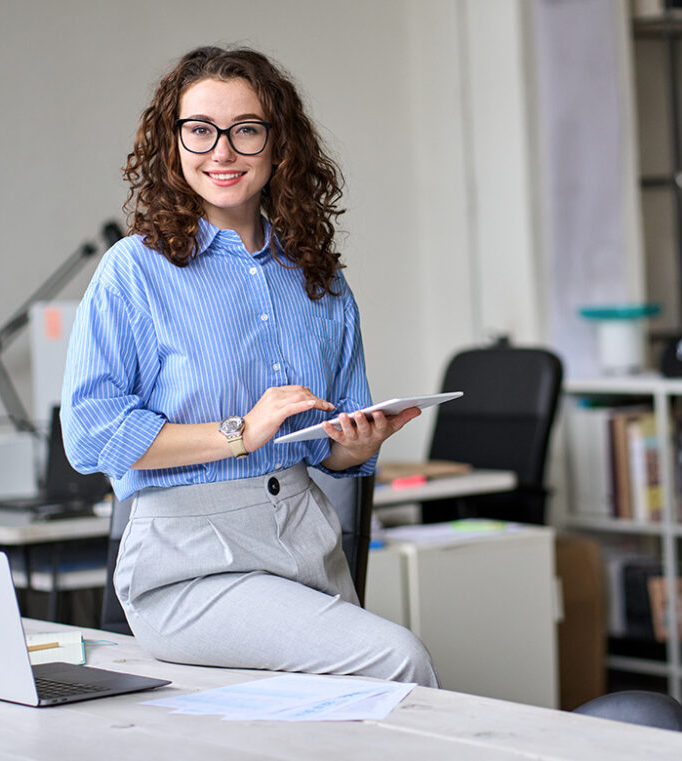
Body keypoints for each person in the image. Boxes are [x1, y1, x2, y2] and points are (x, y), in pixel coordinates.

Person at [61, 45, 438, 687]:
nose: (223, 151)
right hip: (188, 561)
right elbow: (91, 433)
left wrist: (357, 442)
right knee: (396, 657)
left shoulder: (318, 278)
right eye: (200, 130)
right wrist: (239, 431)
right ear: (173, 143)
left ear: (278, 144)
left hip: (305, 539)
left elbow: (332, 453)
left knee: (339, 715)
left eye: (246, 130)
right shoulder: (135, 269)